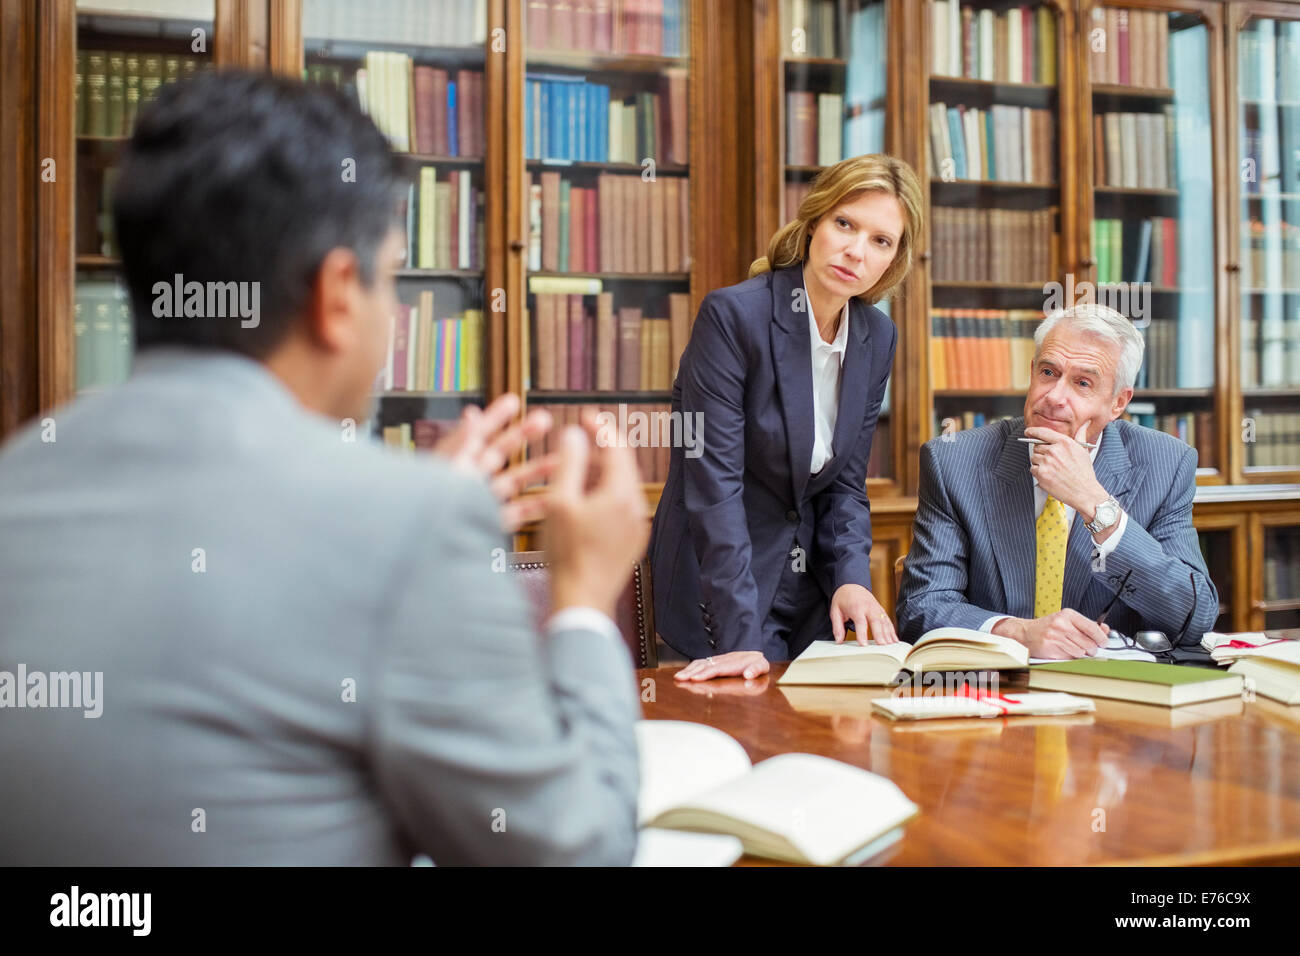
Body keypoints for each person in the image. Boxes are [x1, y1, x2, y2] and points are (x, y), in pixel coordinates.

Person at [0, 71, 650, 865]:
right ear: (339, 293)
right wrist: (583, 602)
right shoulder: (406, 528)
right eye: (394, 275)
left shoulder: (20, 475)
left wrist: (410, 509)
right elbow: (575, 853)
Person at [649, 154, 925, 681]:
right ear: (814, 222)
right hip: (723, 588)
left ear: (894, 260)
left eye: (880, 240)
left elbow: (846, 484)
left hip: (812, 597)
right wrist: (739, 640)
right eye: (844, 224)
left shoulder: (876, 336)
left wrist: (852, 579)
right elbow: (714, 489)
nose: (855, 251)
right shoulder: (734, 317)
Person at [896, 303, 1218, 657]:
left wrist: (1096, 505)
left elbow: (1195, 618)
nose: (1053, 397)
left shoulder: (1166, 465)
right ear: (1032, 372)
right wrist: (1017, 632)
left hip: (1113, 693)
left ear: (1117, 403)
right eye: (1048, 372)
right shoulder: (954, 461)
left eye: (1082, 383)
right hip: (994, 688)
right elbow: (921, 608)